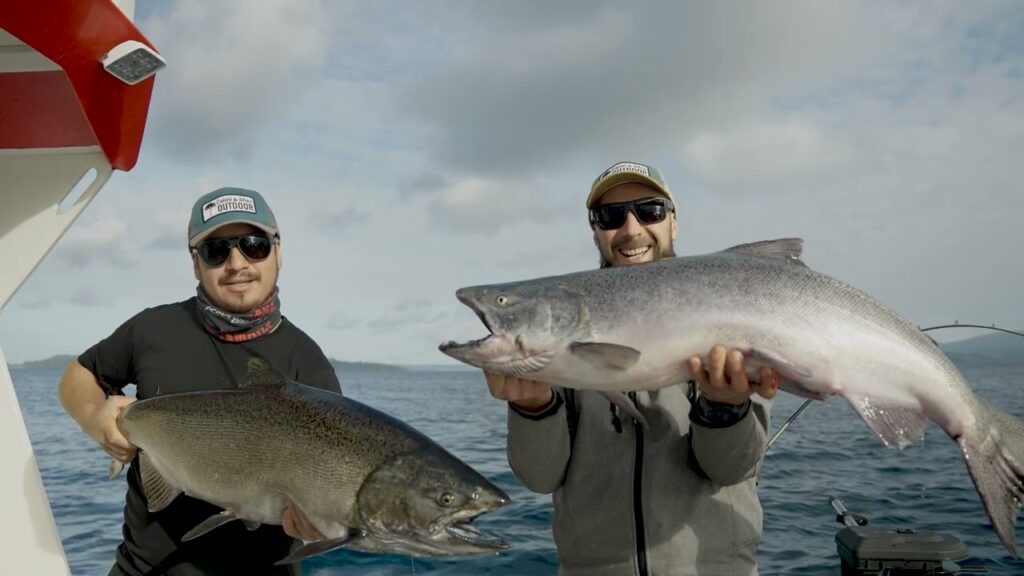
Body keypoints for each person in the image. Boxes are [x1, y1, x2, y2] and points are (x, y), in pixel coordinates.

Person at [485, 161, 779, 576]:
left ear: (673, 222)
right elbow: (540, 477)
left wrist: (725, 407)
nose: (631, 229)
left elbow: (730, 470)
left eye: (650, 211)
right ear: (595, 232)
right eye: (610, 217)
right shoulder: (559, 337)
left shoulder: (728, 314)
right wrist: (534, 409)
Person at [58, 187, 337, 576]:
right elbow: (80, 374)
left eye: (254, 245)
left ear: (278, 252)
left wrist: (319, 526)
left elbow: (329, 497)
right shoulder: (152, 329)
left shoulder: (308, 362)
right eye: (216, 250)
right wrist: (94, 418)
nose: (236, 263)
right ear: (195, 263)